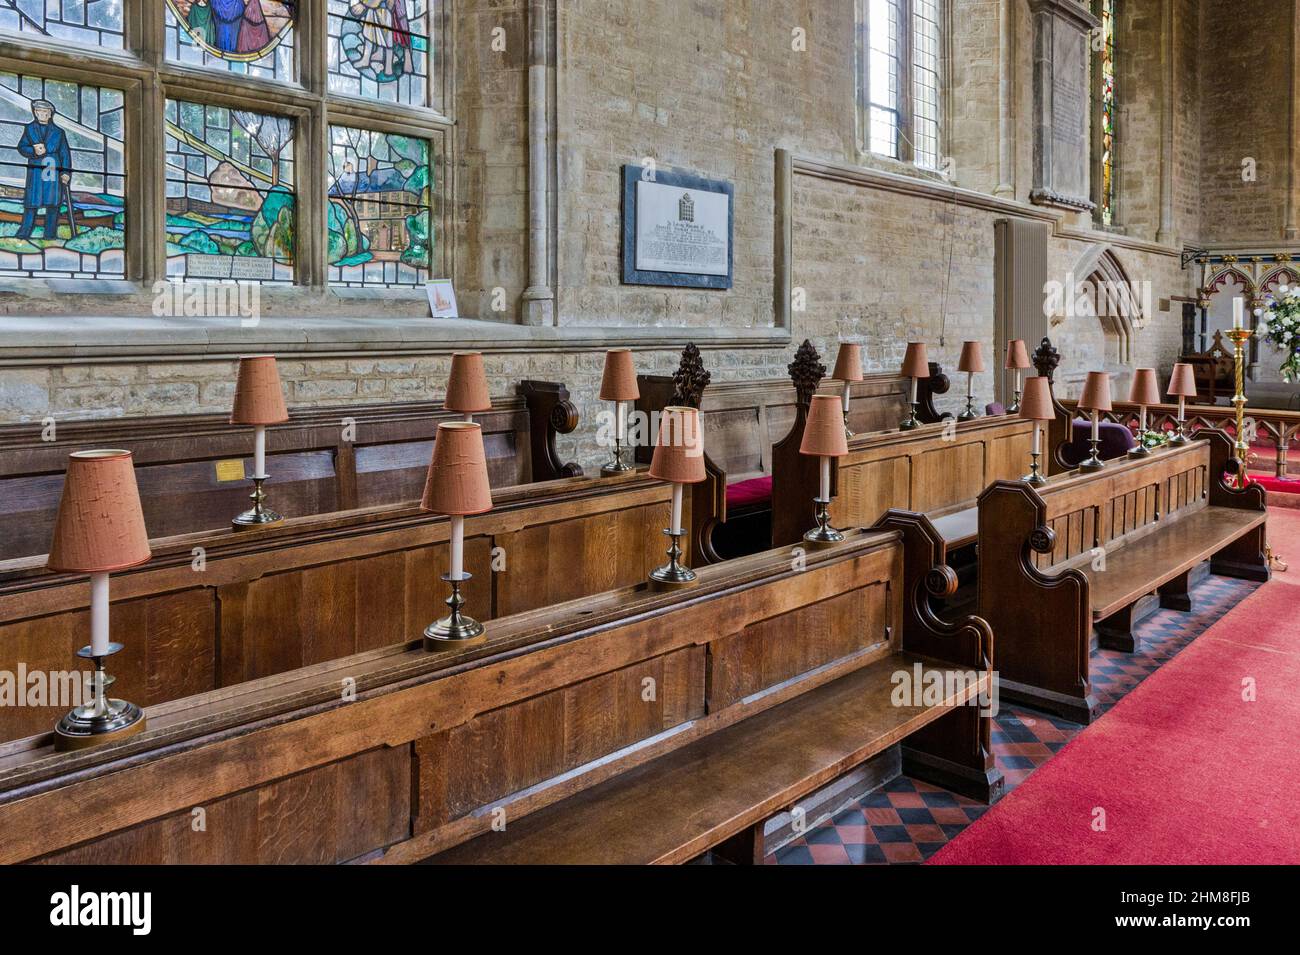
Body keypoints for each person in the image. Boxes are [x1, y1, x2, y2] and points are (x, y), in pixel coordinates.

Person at [15, 100, 71, 241]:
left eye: (45, 112)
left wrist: (65, 173)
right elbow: (22, 147)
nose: (42, 114)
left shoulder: (59, 132)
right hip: (36, 171)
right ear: (35, 113)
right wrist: (33, 150)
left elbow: (64, 153)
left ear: (50, 114)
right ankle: (23, 234)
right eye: (38, 112)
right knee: (32, 203)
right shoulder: (29, 129)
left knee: (53, 205)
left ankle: (50, 236)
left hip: (53, 170)